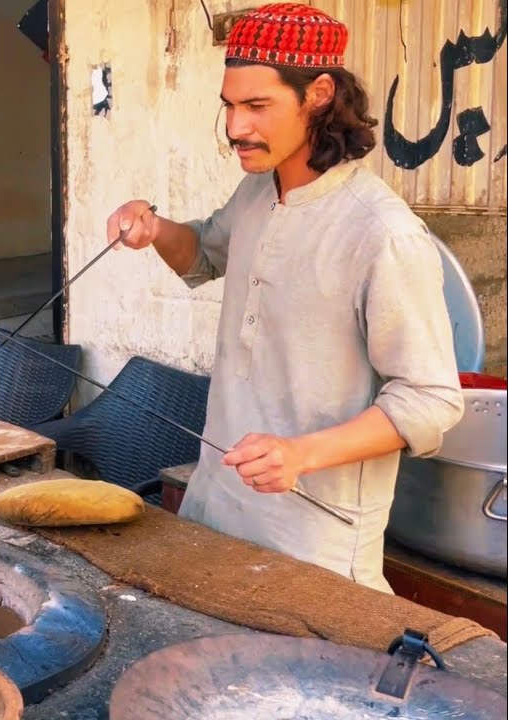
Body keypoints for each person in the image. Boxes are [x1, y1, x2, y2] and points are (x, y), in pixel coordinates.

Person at [106, 3, 463, 592]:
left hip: (313, 538)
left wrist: (300, 454)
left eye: (257, 106)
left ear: (319, 93)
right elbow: (203, 253)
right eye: (229, 105)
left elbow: (430, 400)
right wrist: (153, 229)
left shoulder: (382, 233)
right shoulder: (256, 192)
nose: (235, 127)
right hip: (218, 506)